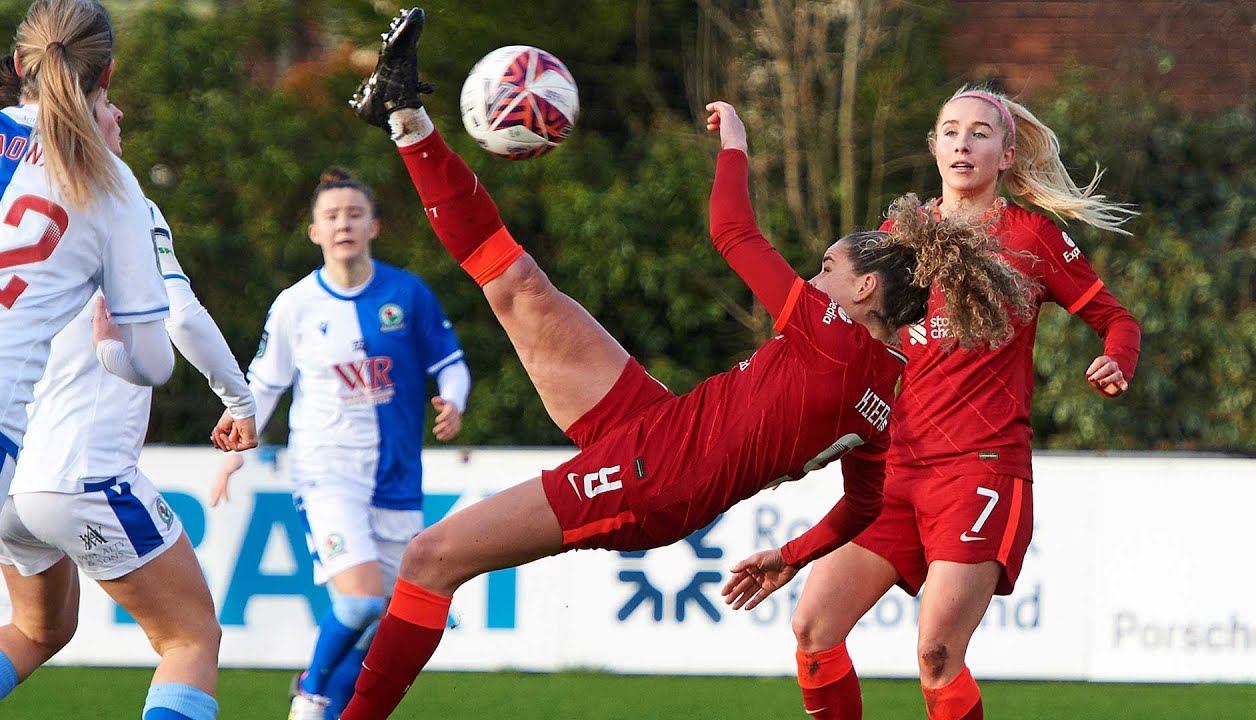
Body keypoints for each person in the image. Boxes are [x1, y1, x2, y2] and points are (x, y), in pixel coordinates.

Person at [335, 9, 1035, 719]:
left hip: (651, 478)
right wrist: (792, 554)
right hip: (662, 429)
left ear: (862, 291)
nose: (812, 279)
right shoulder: (886, 387)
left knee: (430, 558)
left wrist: (735, 146)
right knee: (520, 290)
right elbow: (864, 502)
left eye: (826, 269)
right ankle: (402, 113)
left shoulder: (832, 332)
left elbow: (731, 230)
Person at [723, 87, 1143, 720]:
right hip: (896, 471)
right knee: (812, 628)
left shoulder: (1033, 237)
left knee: (937, 653)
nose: (962, 144)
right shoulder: (900, 238)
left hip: (981, 468)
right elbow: (850, 331)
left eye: (979, 133)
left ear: (1005, 154)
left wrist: (1117, 359)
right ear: (934, 148)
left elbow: (1119, 321)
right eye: (949, 131)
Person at [0, 65, 257, 719]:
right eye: (109, 103)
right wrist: (240, 401)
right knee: (191, 636)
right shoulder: (117, 201)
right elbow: (183, 316)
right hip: (80, 476)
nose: (120, 117)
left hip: (12, 480)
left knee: (39, 631)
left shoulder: (19, 209)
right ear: (82, 117)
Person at [210, 165, 472, 720]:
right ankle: (312, 687)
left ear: (374, 226)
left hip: (399, 477)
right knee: (359, 602)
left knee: (389, 631)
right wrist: (237, 449)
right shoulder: (295, 305)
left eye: (354, 213)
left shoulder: (408, 293)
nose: (343, 224)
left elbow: (451, 365)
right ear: (314, 231)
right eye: (331, 216)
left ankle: (325, 707)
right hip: (327, 473)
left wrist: (454, 401)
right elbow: (263, 384)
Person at [0, 0, 176, 705]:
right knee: (189, 633)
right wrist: (115, 348)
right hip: (19, 458)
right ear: (108, 73)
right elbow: (155, 360)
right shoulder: (109, 183)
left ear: (19, 66)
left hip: (20, 465)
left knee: (42, 628)